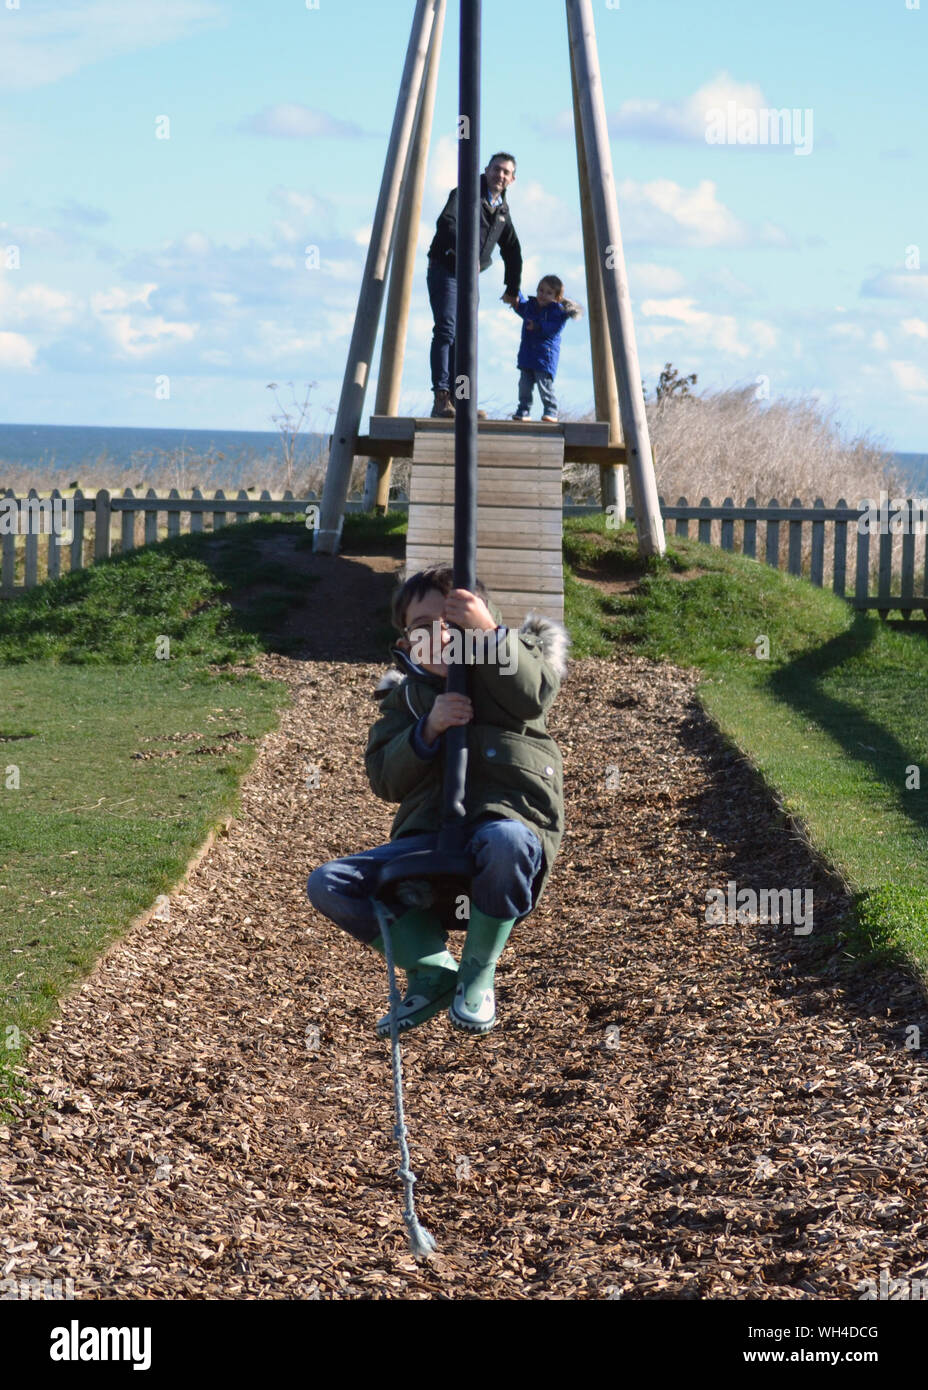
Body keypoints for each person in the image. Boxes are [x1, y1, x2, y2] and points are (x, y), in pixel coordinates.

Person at [307, 564, 568, 1036]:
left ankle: (477, 973)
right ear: (406, 645)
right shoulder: (406, 702)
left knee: (508, 841)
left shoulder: (506, 669)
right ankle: (431, 969)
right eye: (425, 628)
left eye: (456, 623)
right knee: (331, 882)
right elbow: (384, 778)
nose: (443, 636)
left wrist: (489, 634)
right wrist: (427, 729)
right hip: (429, 842)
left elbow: (533, 695)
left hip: (505, 823)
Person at [427, 152, 523, 419]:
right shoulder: (466, 193)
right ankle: (442, 397)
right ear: (486, 170)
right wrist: (467, 253)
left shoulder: (502, 210)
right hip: (446, 268)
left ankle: (461, 401)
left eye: (506, 172)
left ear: (512, 179)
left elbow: (512, 250)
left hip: (470, 278)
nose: (500, 175)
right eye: (496, 170)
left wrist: (512, 288)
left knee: (465, 336)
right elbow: (446, 223)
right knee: (447, 329)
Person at [510, 275, 583, 423]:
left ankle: (550, 410)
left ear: (557, 297)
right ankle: (523, 410)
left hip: (545, 357)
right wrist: (513, 292)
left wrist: (537, 326)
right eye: (541, 290)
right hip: (528, 355)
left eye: (549, 293)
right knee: (524, 386)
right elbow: (520, 306)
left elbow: (552, 329)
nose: (543, 295)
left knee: (545, 387)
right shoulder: (531, 306)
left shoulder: (557, 313)